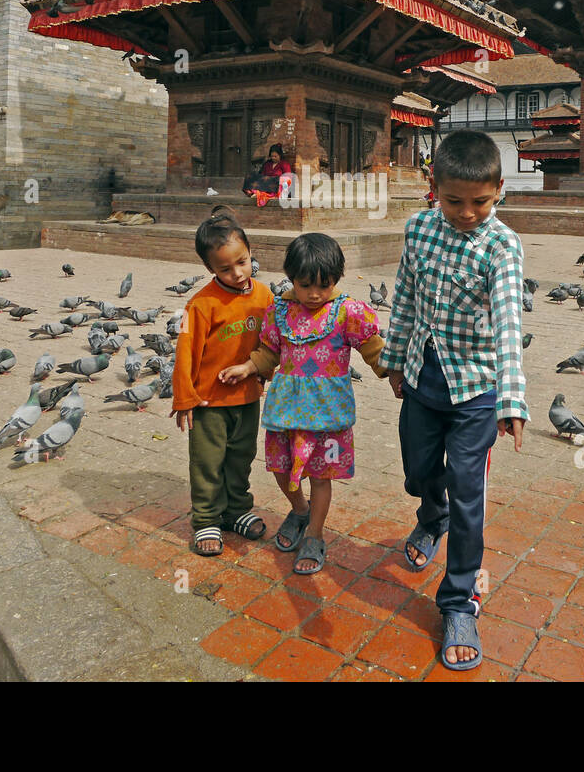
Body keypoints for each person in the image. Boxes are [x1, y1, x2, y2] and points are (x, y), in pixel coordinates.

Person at [379, 129, 528, 671]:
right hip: (423, 377)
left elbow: (510, 327)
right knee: (419, 469)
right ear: (432, 187)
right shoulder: (418, 229)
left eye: (481, 202)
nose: (467, 213)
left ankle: (460, 600)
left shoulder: (502, 246)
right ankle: (430, 513)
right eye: (454, 201)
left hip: (477, 391)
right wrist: (394, 361)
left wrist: (511, 400)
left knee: (470, 491)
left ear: (499, 191)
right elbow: (405, 300)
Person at [220, 233, 389, 575]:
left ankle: (314, 533)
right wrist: (249, 367)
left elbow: (373, 350)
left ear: (336, 279)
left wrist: (399, 373)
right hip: (286, 411)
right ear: (291, 277)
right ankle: (298, 509)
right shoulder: (279, 310)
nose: (314, 294)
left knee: (321, 476)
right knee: (281, 468)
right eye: (305, 284)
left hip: (328, 415)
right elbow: (269, 352)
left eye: (324, 286)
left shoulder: (348, 312)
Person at [170, 210, 275, 556]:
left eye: (242, 262)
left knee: (242, 456)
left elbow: (271, 343)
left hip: (247, 396)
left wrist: (263, 372)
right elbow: (185, 353)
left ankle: (237, 510)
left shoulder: (264, 296)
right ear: (211, 269)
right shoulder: (200, 305)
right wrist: (184, 398)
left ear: (250, 252)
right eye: (225, 269)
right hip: (208, 402)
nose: (237, 273)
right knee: (207, 462)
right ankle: (205, 519)